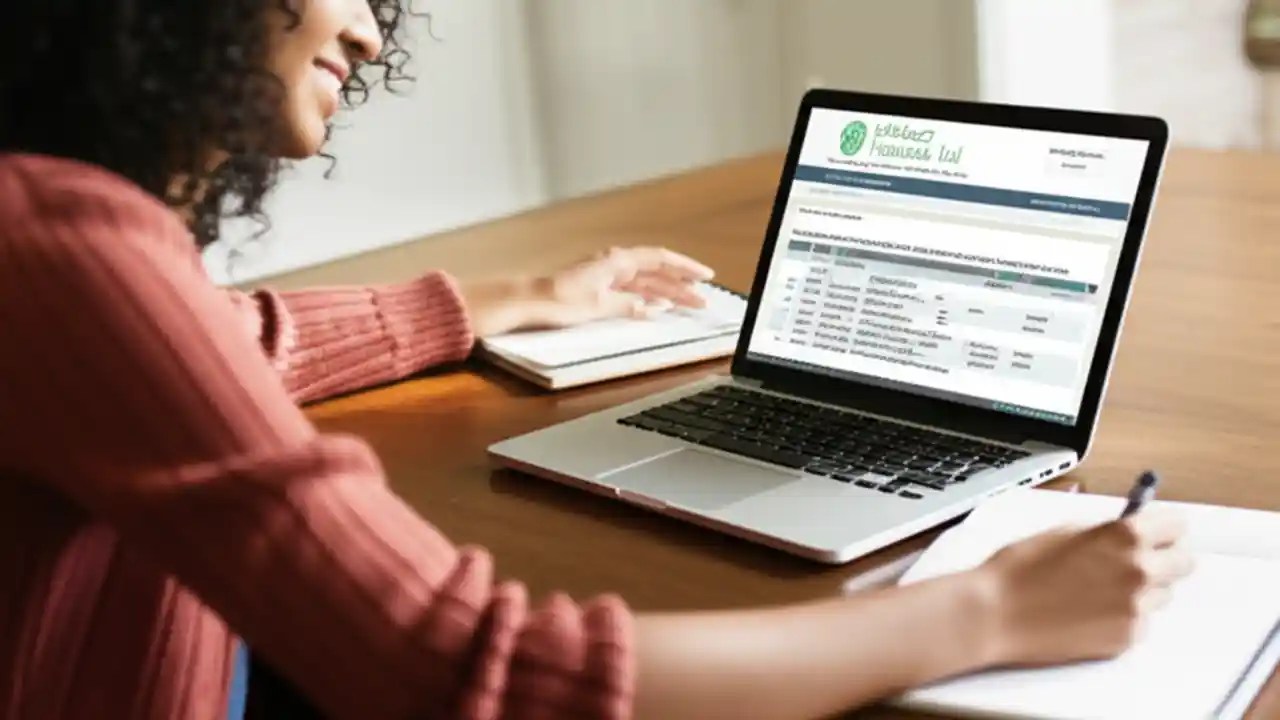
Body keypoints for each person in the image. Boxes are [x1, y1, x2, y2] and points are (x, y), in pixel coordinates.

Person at [0, 2, 1194, 719]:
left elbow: (209, 347)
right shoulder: (60, 243)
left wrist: (492, 299)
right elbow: (475, 674)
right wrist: (985, 610)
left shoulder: (50, 230)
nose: (369, 29)